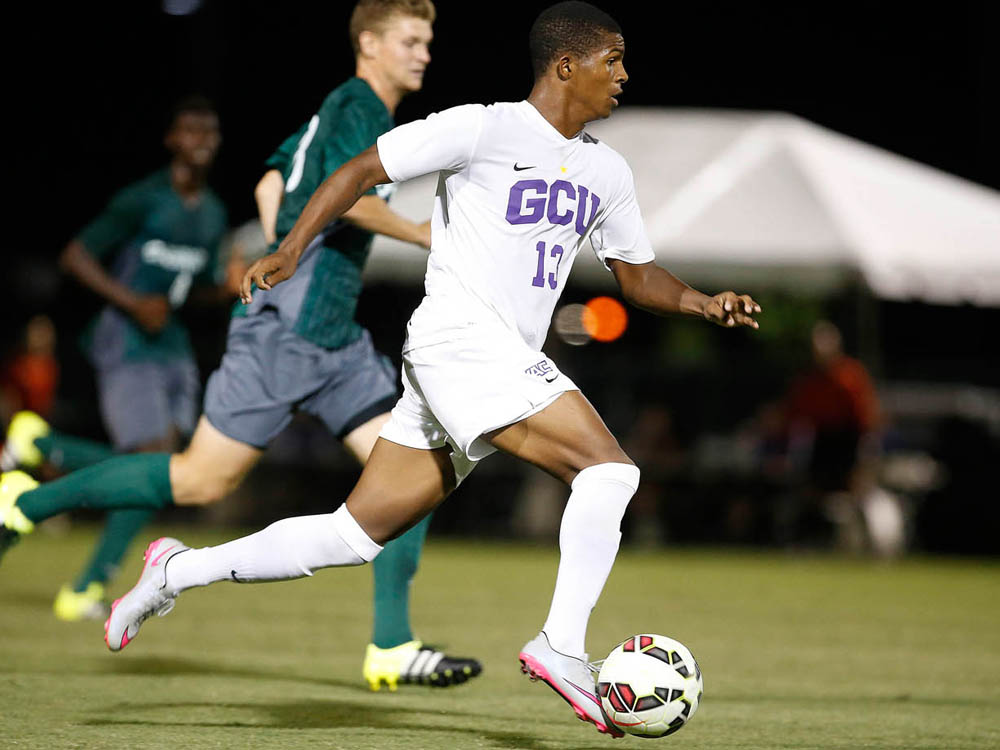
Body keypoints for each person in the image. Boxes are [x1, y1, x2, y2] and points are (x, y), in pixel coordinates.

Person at [106, 1, 756, 735]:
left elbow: (636, 276)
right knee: (610, 472)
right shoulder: (482, 126)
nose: (625, 74)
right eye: (614, 59)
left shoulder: (607, 169)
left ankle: (174, 570)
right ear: (566, 64)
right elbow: (358, 170)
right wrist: (289, 247)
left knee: (350, 536)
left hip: (487, 360)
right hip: (460, 343)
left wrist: (704, 304)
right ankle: (561, 647)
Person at [0, 0, 482, 690]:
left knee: (417, 474)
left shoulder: (346, 109)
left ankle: (391, 647)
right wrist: (431, 237)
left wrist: (287, 245)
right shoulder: (358, 105)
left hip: (334, 338)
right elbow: (338, 193)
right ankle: (23, 503)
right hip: (286, 335)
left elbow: (270, 181)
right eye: (411, 40)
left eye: (428, 41)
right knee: (200, 478)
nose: (424, 53)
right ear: (369, 44)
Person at [0, 97, 229, 621]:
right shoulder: (144, 198)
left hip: (170, 343)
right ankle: (82, 579)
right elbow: (76, 254)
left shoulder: (213, 213)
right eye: (190, 130)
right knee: (151, 459)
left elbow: (192, 288)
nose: (201, 140)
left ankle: (40, 449)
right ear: (171, 139)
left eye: (210, 132)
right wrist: (131, 302)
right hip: (123, 338)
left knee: (165, 468)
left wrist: (225, 288)